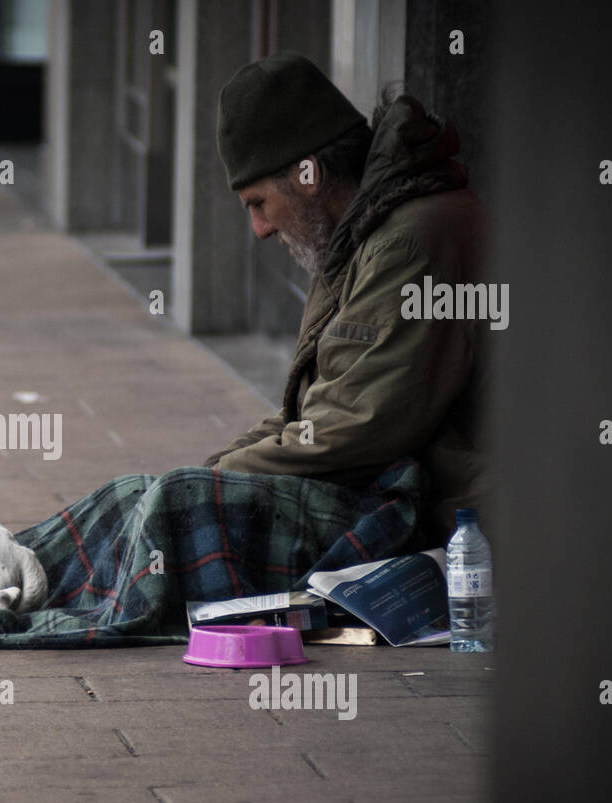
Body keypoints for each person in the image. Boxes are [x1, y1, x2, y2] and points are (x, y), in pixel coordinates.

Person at [202, 52, 488, 547]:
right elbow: (309, 415)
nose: (261, 229)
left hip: (458, 524)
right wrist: (207, 472)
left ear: (308, 175)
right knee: (159, 511)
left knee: (184, 526)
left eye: (259, 204)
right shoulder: (350, 240)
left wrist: (211, 482)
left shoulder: (411, 241)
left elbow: (351, 429)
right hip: (403, 498)